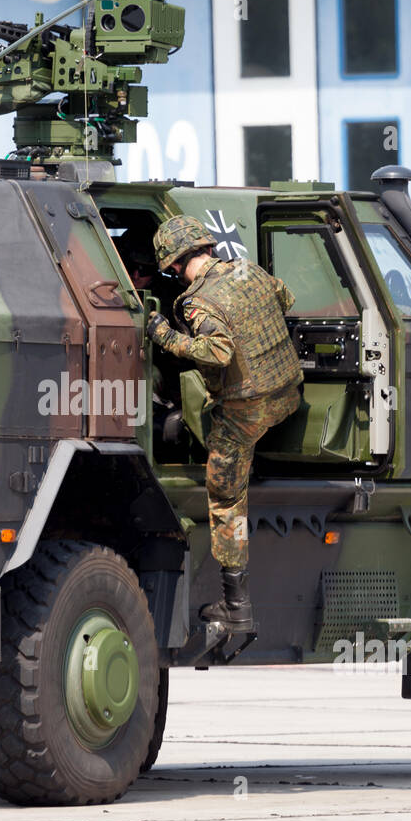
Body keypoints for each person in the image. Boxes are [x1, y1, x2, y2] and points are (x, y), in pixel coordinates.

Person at [146, 215, 303, 633]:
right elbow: (283, 298)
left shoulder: (196, 302)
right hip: (288, 394)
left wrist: (164, 336)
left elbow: (216, 353)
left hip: (247, 411)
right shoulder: (249, 270)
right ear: (207, 246)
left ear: (176, 265)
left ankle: (236, 606)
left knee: (225, 496)